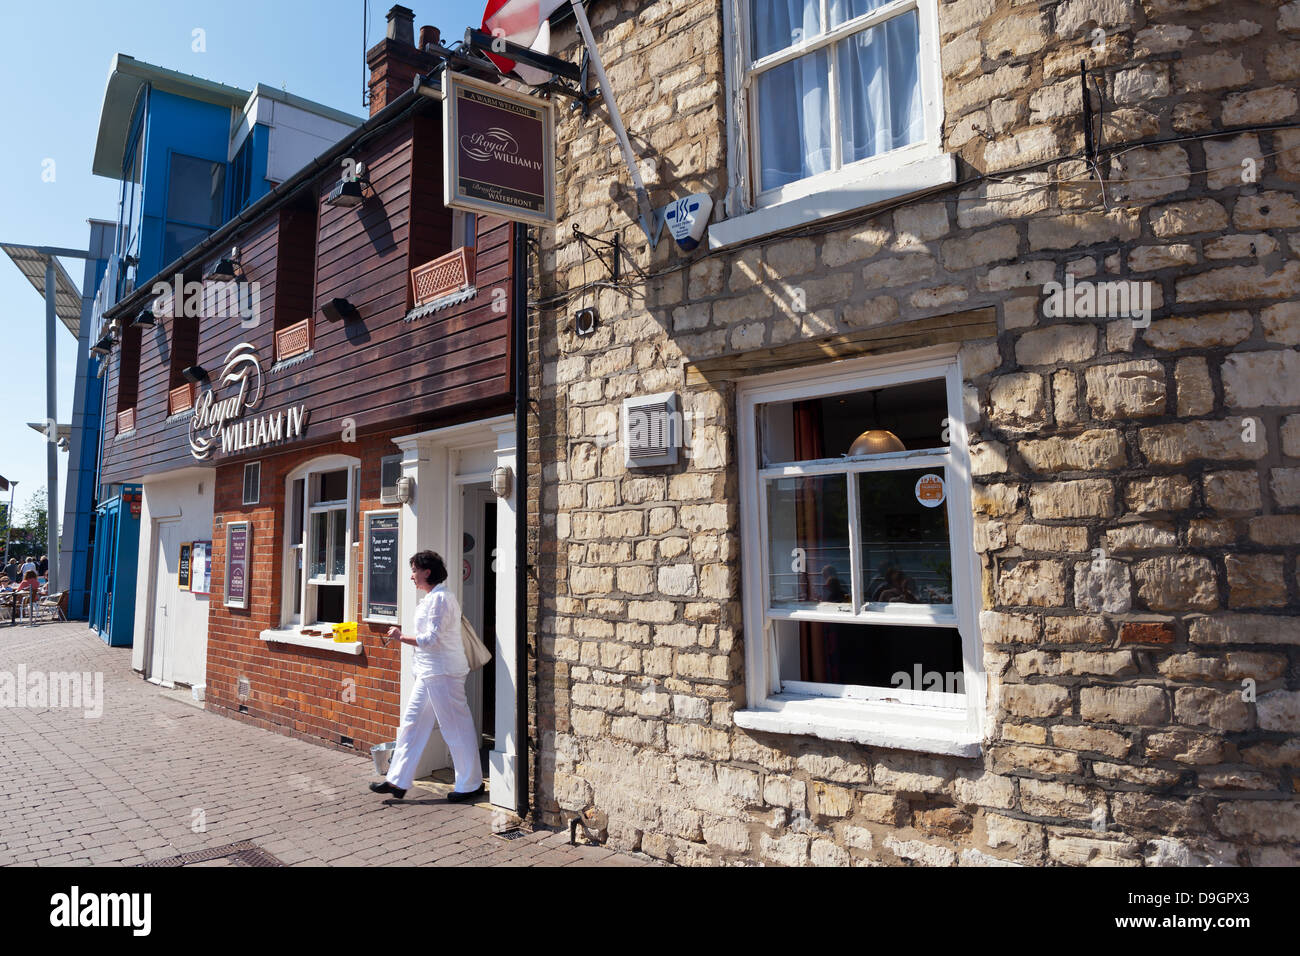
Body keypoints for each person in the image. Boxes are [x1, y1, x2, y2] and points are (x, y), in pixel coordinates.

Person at [369, 550, 484, 803]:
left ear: (426, 571)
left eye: (414, 570)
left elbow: (431, 640)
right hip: (429, 672)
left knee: (455, 727)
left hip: (444, 672)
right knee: (411, 723)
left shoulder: (441, 599)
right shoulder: (431, 598)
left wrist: (401, 638)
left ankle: (471, 784)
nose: (411, 576)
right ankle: (397, 781)